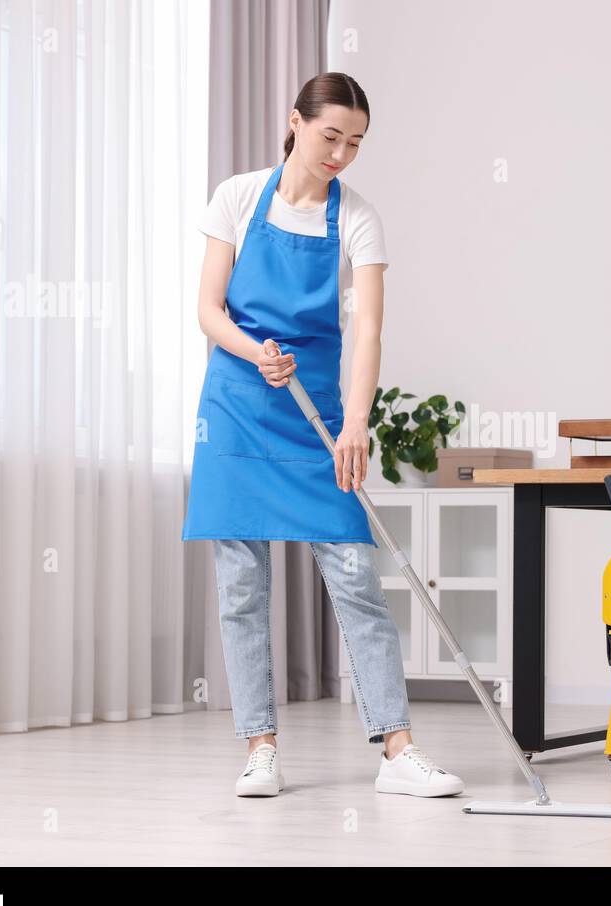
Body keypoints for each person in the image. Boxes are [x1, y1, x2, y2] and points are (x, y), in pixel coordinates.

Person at [181, 72, 464, 800]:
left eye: (355, 143)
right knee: (243, 587)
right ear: (296, 122)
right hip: (239, 406)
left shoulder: (358, 218)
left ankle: (397, 750)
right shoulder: (239, 197)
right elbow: (209, 311)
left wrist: (356, 424)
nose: (340, 153)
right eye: (330, 136)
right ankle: (260, 747)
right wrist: (255, 352)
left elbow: (367, 328)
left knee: (354, 576)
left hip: (317, 418)